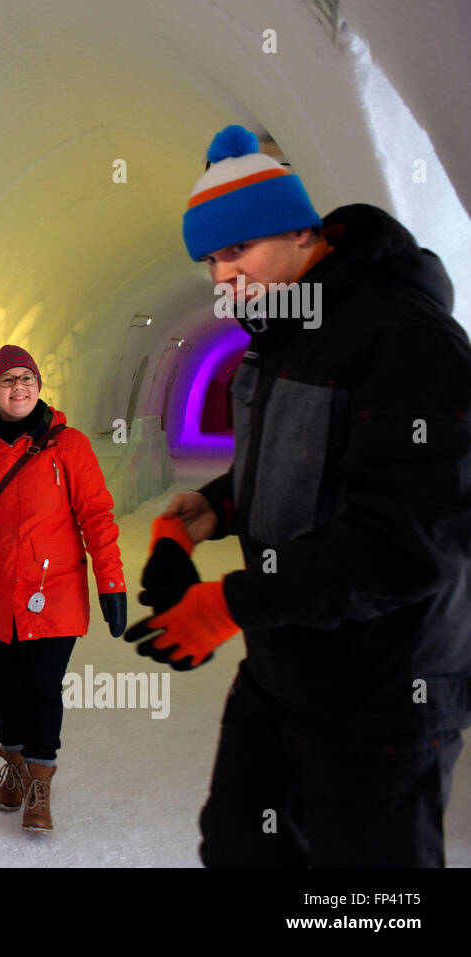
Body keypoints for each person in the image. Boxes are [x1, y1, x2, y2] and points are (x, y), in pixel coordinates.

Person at [125, 124, 471, 866]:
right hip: (285, 671)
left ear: (298, 231)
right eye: (212, 259)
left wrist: (227, 605)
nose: (221, 276)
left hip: (385, 691)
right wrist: (214, 507)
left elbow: (407, 543)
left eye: (236, 250)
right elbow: (310, 465)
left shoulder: (405, 339)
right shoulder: (284, 332)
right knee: (238, 847)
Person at [0, 344, 127, 833]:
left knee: (42, 685)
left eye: (27, 378)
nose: (19, 387)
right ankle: (12, 767)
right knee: (4, 684)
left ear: (39, 386)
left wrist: (111, 583)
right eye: (8, 379)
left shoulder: (67, 445)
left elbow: (96, 515)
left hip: (51, 588)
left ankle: (40, 784)